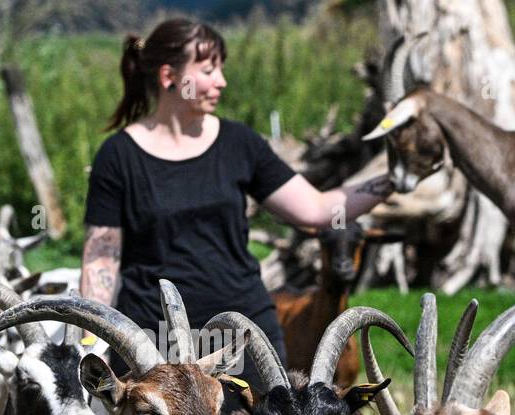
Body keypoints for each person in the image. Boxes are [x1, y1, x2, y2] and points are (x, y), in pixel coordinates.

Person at [81, 17, 395, 381]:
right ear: (169, 76)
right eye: (209, 70)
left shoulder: (239, 144)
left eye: (221, 70)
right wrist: (92, 339)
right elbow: (101, 257)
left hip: (244, 338)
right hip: (153, 343)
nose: (222, 82)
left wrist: (394, 181)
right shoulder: (118, 155)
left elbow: (317, 209)